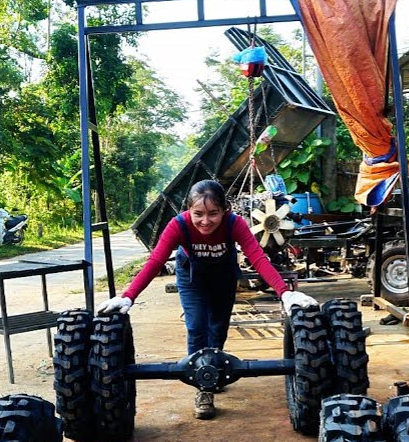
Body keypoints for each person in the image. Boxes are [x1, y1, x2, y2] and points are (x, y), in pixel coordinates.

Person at [97, 179, 317, 420]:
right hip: (192, 277)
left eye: (213, 214)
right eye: (198, 214)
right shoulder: (178, 225)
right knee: (197, 324)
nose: (205, 221)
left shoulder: (235, 224)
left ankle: (215, 367)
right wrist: (128, 297)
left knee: (218, 327)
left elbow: (258, 258)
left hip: (224, 276)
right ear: (188, 211)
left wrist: (285, 293)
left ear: (225, 211)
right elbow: (156, 261)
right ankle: (203, 386)